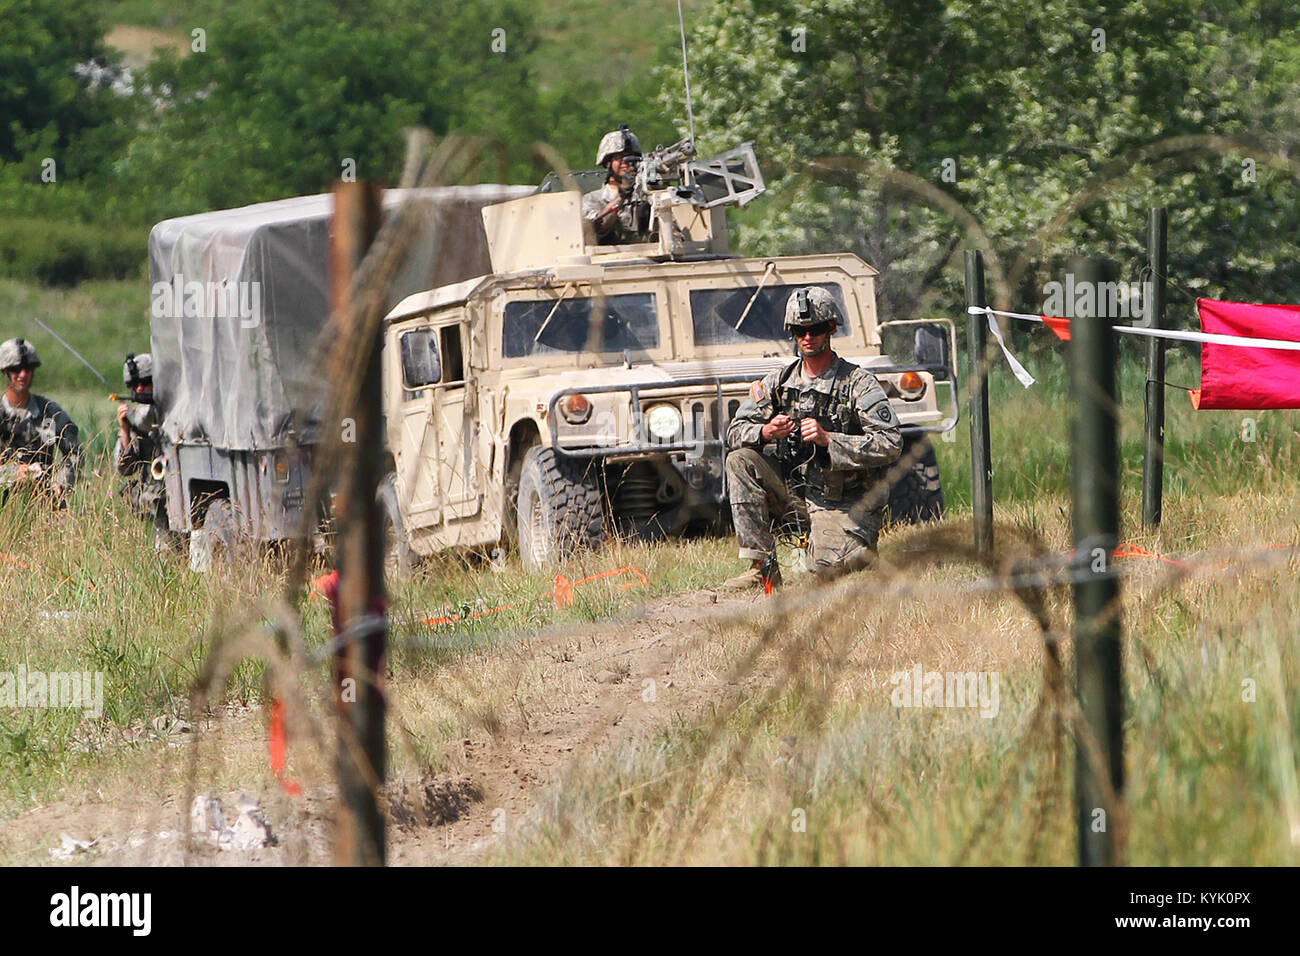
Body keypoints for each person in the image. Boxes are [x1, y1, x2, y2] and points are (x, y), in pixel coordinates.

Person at [721, 287, 903, 590]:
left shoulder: (857, 383)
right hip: (794, 494)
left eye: (816, 329)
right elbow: (734, 432)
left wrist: (829, 440)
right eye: (800, 330)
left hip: (843, 502)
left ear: (831, 328)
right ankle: (761, 569)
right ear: (791, 333)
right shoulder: (780, 382)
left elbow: (890, 442)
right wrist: (765, 432)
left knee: (825, 568)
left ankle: (855, 548)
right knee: (739, 460)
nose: (808, 337)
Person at [0, 337, 82, 505]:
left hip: (42, 504)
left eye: (28, 368)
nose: (23, 374)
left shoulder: (50, 412)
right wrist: (14, 473)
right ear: (5, 371)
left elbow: (75, 453)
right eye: (16, 369)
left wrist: (61, 483)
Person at [114, 352, 171, 538]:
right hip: (157, 506)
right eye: (135, 385)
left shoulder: (175, 411)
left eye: (146, 383)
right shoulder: (135, 423)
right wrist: (125, 430)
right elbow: (124, 469)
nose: (140, 389)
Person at [582, 124, 646, 244]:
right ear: (608, 162)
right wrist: (622, 195)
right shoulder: (592, 199)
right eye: (619, 157)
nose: (625, 162)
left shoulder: (645, 196)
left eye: (630, 158)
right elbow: (600, 228)